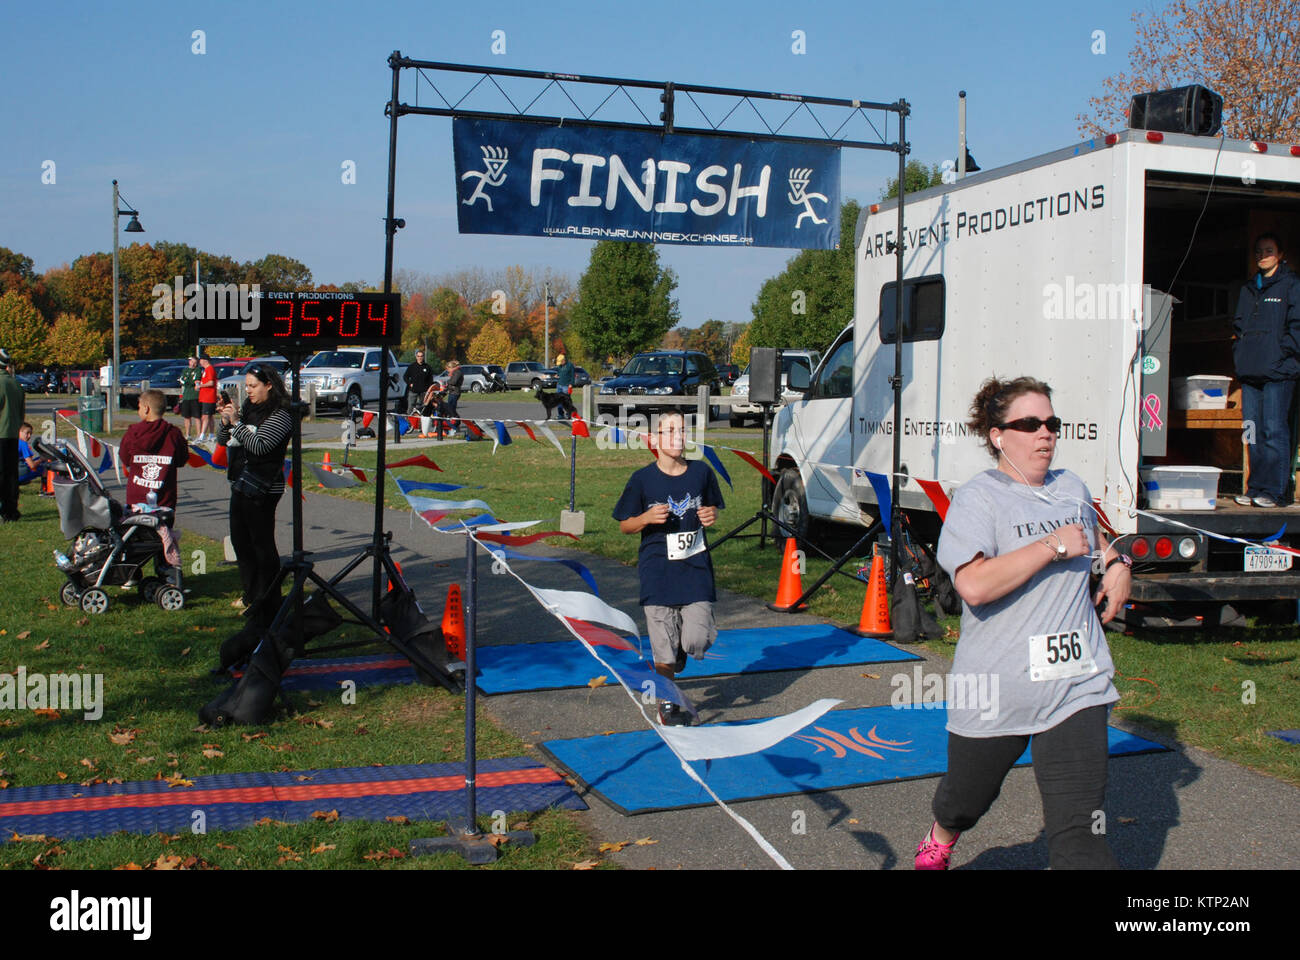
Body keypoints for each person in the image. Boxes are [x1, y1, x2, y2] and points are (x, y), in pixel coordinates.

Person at [914, 376, 1130, 871]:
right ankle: (941, 835)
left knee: (1082, 836)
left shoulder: (1071, 487)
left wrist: (1118, 567)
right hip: (997, 687)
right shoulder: (978, 500)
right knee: (965, 799)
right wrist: (1050, 547)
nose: (1046, 434)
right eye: (1029, 424)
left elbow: (1095, 542)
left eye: (1052, 423)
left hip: (1077, 684)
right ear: (997, 436)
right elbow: (974, 586)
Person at [613, 411, 724, 726]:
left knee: (696, 641)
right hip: (657, 570)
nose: (677, 436)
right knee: (662, 649)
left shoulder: (701, 472)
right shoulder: (643, 479)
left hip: (695, 567)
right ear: (655, 439)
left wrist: (711, 516)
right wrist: (646, 519)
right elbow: (625, 525)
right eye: (670, 430)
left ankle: (680, 651)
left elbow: (711, 507)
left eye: (682, 430)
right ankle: (668, 703)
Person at [215, 363, 294, 667]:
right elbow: (227, 442)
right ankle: (252, 596)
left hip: (263, 488)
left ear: (269, 385)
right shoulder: (248, 409)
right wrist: (227, 421)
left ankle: (269, 600)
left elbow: (261, 447)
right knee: (241, 542)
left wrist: (236, 425)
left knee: (262, 544)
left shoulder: (281, 414)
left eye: (252, 385)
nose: (247, 391)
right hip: (240, 483)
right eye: (246, 386)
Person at [1232, 232, 1300, 508]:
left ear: (1280, 254)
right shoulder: (1248, 289)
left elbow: (1297, 327)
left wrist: (1282, 355)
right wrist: (1240, 356)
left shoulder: (1291, 284)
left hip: (1278, 373)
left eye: (1269, 251)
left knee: (1274, 429)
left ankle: (1275, 490)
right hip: (1250, 372)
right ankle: (1255, 487)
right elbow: (1238, 326)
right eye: (1259, 251)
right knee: (1251, 430)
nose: (1263, 256)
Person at [118, 390, 188, 582]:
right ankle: (166, 569)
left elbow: (125, 458)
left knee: (136, 538)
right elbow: (182, 459)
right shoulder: (173, 434)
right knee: (163, 537)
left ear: (146, 408)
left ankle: (130, 571)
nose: (138, 410)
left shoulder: (133, 433)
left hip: (137, 501)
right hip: (164, 499)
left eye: (139, 406)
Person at [0, 348, 24, 522]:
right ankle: (11, 510)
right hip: (12, 434)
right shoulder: (15, 384)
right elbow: (21, 412)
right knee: (11, 474)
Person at [403, 348, 435, 423]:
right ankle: (409, 423)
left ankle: (421, 423)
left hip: (424, 391)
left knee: (423, 407)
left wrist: (429, 389)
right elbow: (405, 377)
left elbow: (431, 379)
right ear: (416, 357)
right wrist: (410, 384)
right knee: (410, 406)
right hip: (413, 390)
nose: (420, 357)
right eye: (418, 356)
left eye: (421, 356)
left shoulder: (427, 367)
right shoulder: (412, 366)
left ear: (423, 357)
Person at [16, 422, 49, 490]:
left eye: (30, 434)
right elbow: (32, 465)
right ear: (19, 432)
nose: (29, 436)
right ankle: (45, 489)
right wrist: (41, 460)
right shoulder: (23, 444)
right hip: (20, 473)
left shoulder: (12, 442)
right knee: (46, 466)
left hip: (8, 474)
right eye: (27, 433)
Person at [178, 355, 201, 440]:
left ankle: (199, 435)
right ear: (189, 362)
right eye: (192, 362)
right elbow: (181, 380)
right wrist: (187, 381)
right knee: (186, 417)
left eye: (195, 363)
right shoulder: (185, 370)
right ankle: (188, 434)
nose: (193, 364)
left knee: (197, 416)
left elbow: (195, 380)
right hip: (186, 396)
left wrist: (187, 381)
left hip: (195, 396)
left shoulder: (198, 370)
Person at [197, 354, 218, 443]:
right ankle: (211, 434)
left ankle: (202, 436)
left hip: (209, 396)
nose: (200, 362)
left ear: (205, 360)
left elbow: (211, 382)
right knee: (210, 416)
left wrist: (201, 385)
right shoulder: (206, 370)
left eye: (201, 360)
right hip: (205, 396)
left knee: (205, 416)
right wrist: (200, 382)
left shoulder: (209, 369)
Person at [443, 359, 464, 431]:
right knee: (451, 408)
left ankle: (456, 423)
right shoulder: (455, 372)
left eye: (448, 369)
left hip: (455, 393)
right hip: (452, 392)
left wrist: (447, 382)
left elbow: (453, 381)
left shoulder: (457, 372)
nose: (447, 370)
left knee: (451, 409)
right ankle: (454, 423)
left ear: (451, 367)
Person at [555, 353, 575, 420]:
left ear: (564, 360)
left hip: (566, 386)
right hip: (559, 385)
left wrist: (571, 384)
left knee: (566, 401)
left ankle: (568, 414)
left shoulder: (570, 365)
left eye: (560, 362)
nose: (560, 364)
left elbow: (572, 376)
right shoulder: (560, 366)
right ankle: (560, 415)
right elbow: (559, 372)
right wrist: (557, 375)